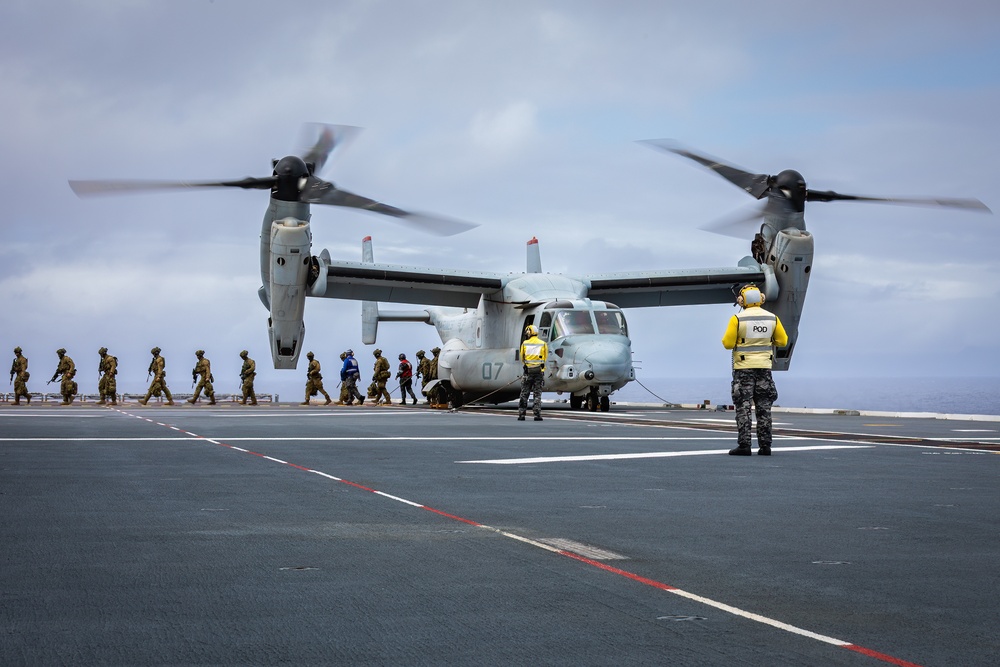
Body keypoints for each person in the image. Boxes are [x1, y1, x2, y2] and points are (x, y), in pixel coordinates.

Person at [722, 284, 789, 456]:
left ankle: (744, 445)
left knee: (743, 407)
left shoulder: (738, 319)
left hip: (743, 370)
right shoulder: (772, 318)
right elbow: (782, 341)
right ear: (761, 299)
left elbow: (727, 344)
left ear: (741, 300)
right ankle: (765, 446)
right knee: (764, 407)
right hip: (764, 370)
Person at [517, 325, 548, 421]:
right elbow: (545, 357)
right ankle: (537, 415)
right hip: (538, 372)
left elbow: (522, 358)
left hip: (528, 373)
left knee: (524, 394)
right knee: (537, 394)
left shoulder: (525, 344)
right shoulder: (543, 344)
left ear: (529, 332)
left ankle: (522, 414)